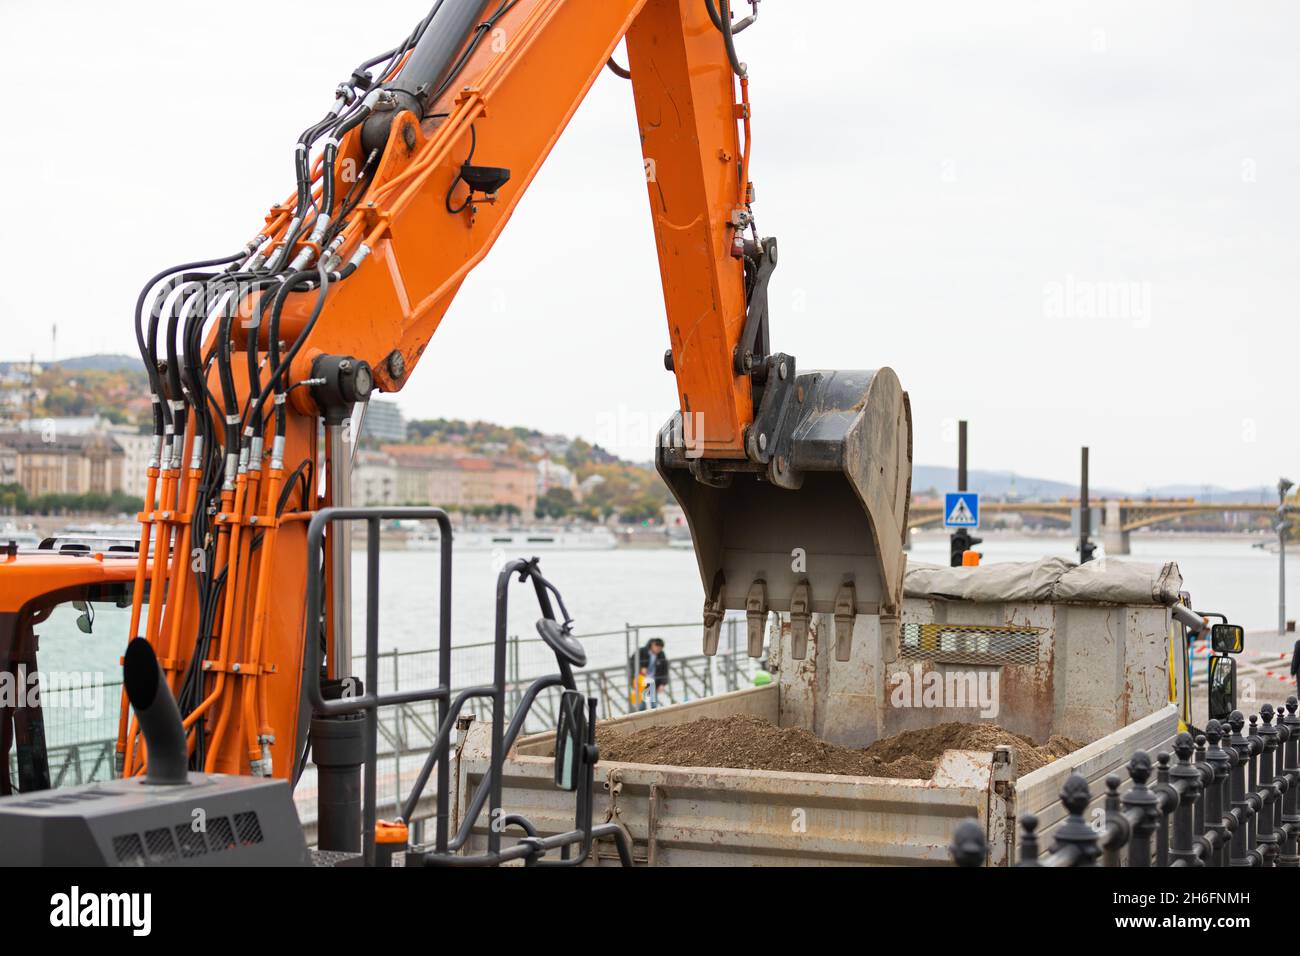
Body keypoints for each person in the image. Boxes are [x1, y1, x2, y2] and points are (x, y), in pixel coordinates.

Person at [631, 638, 670, 710]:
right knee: (641, 705)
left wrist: (663, 683)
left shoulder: (661, 654)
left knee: (653, 704)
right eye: (657, 648)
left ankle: (654, 720)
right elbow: (631, 664)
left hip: (651, 681)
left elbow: (664, 669)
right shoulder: (641, 651)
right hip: (640, 680)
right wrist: (640, 669)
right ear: (653, 645)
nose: (658, 651)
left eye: (660, 649)